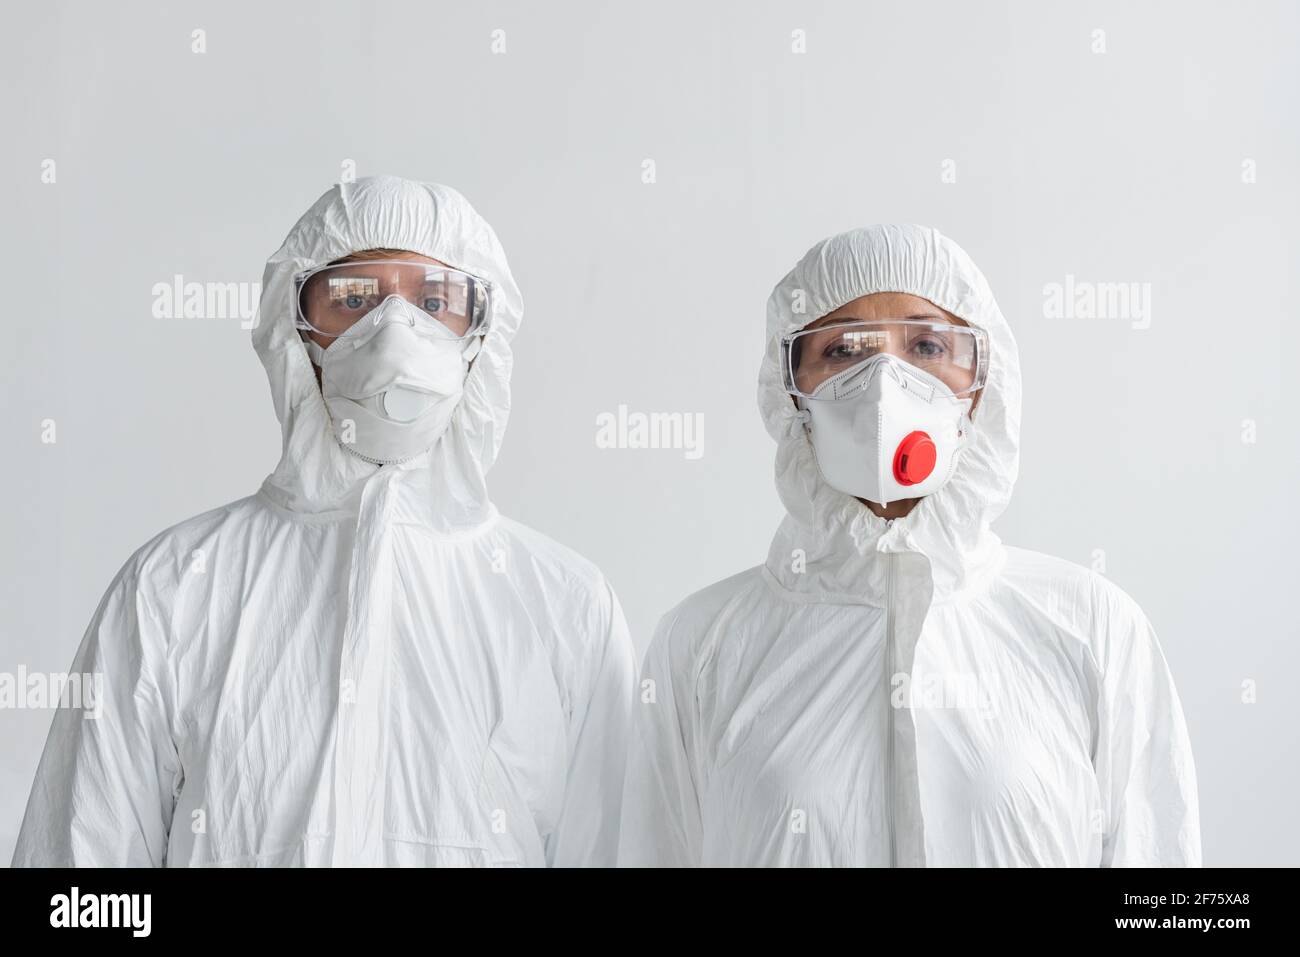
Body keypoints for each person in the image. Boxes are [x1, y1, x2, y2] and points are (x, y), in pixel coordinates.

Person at [12, 175, 636, 867]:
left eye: (434, 301)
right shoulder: (173, 589)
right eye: (352, 299)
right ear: (295, 328)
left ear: (481, 334)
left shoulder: (565, 608)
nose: (395, 329)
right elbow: (79, 882)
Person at [619, 224, 1201, 867]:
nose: (884, 383)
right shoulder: (703, 645)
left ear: (982, 383)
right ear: (791, 391)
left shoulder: (1092, 627)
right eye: (843, 351)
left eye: (926, 345)